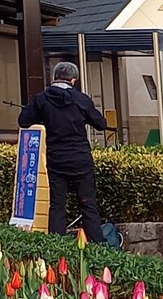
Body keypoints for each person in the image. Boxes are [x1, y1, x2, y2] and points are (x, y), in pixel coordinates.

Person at [18, 60, 108, 243]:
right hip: (80, 159)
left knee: (57, 205)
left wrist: (43, 115)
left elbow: (24, 120)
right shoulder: (81, 99)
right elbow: (101, 124)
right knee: (87, 204)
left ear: (54, 77)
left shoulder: (41, 99)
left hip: (57, 160)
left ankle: (57, 248)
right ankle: (99, 248)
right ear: (73, 80)